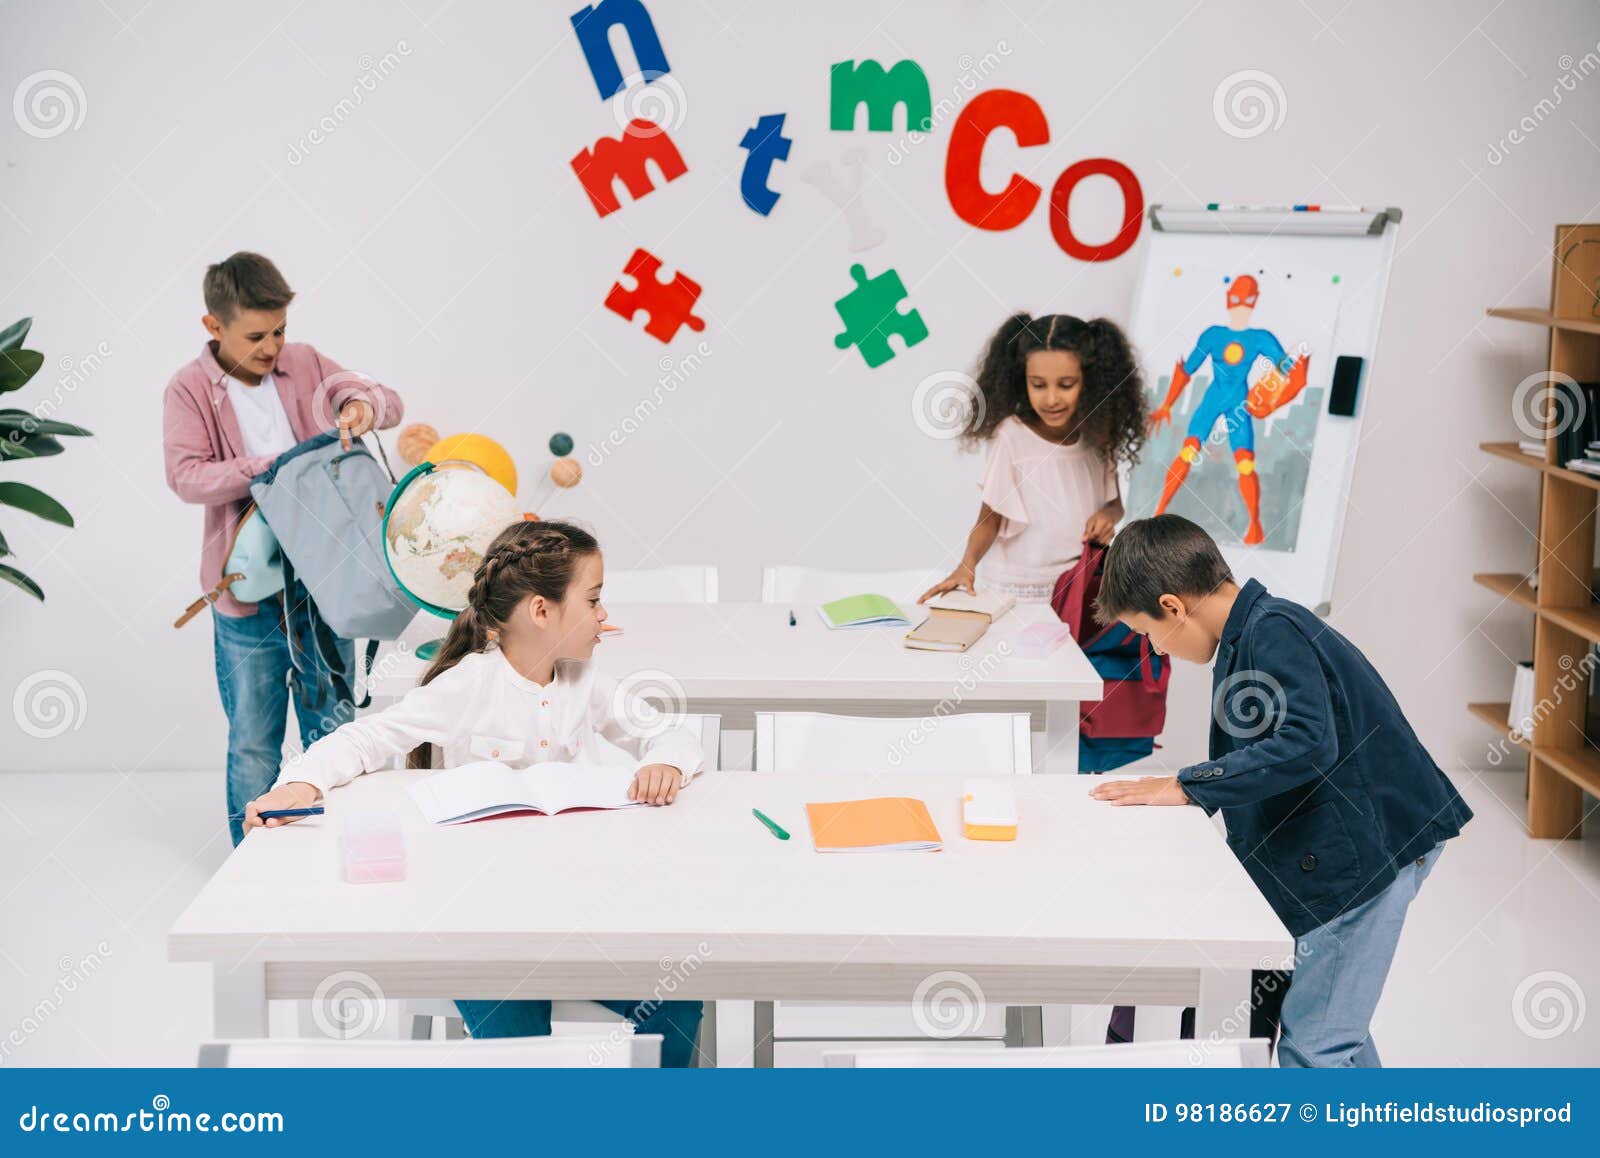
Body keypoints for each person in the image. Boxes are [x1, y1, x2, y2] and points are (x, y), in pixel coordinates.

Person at [244, 519, 707, 1067]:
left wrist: (666, 761)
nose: (604, 617)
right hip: (482, 924)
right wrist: (301, 782)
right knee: (524, 1054)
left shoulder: (586, 682)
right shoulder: (469, 684)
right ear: (542, 611)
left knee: (678, 998)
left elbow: (671, 732)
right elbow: (368, 736)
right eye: (594, 600)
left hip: (577, 908)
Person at [1088, 514, 1473, 1067]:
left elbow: (1306, 743)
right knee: (1337, 1024)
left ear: (1173, 606)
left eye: (1149, 634)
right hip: (1356, 843)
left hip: (1370, 855)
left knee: (1315, 1047)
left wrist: (1189, 785)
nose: (1159, 650)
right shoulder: (1255, 633)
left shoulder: (1273, 630)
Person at [162, 251, 404, 846]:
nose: (272, 348)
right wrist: (273, 468)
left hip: (328, 583)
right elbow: (187, 477)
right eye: (256, 335)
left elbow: (387, 402)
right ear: (212, 326)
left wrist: (361, 405)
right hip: (247, 593)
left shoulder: (305, 363)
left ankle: (328, 857)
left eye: (280, 331)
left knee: (334, 730)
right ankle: (253, 872)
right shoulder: (189, 389)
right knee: (253, 736)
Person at [920, 313, 1146, 605]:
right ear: (1021, 381)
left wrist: (1107, 517)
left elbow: (1114, 505)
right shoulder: (1012, 436)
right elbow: (989, 519)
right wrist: (967, 564)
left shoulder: (1099, 435)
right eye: (1038, 385)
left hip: (1079, 583)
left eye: (1066, 384)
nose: (1051, 399)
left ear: (1090, 382)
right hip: (1018, 587)